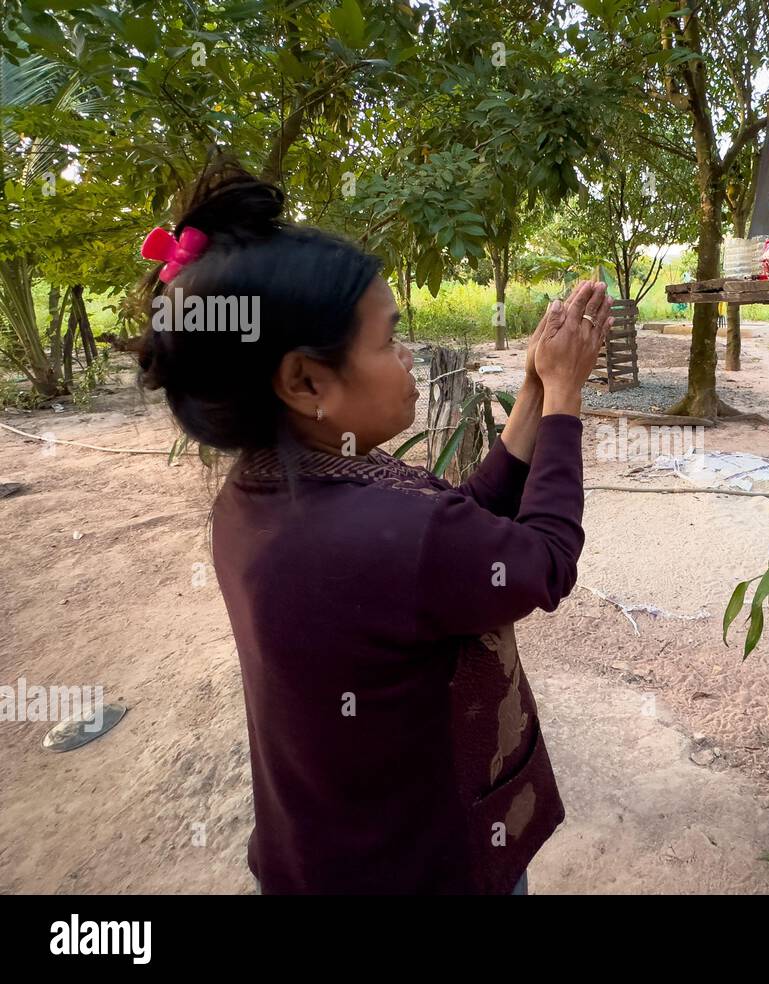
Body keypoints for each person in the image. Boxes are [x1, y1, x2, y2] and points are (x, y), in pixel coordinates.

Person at [134, 160, 611, 894]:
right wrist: (568, 399)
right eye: (388, 341)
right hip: (429, 872)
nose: (409, 355)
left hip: (322, 863)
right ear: (304, 382)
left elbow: (457, 532)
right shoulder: (386, 529)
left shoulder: (262, 498)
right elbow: (543, 561)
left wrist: (534, 392)